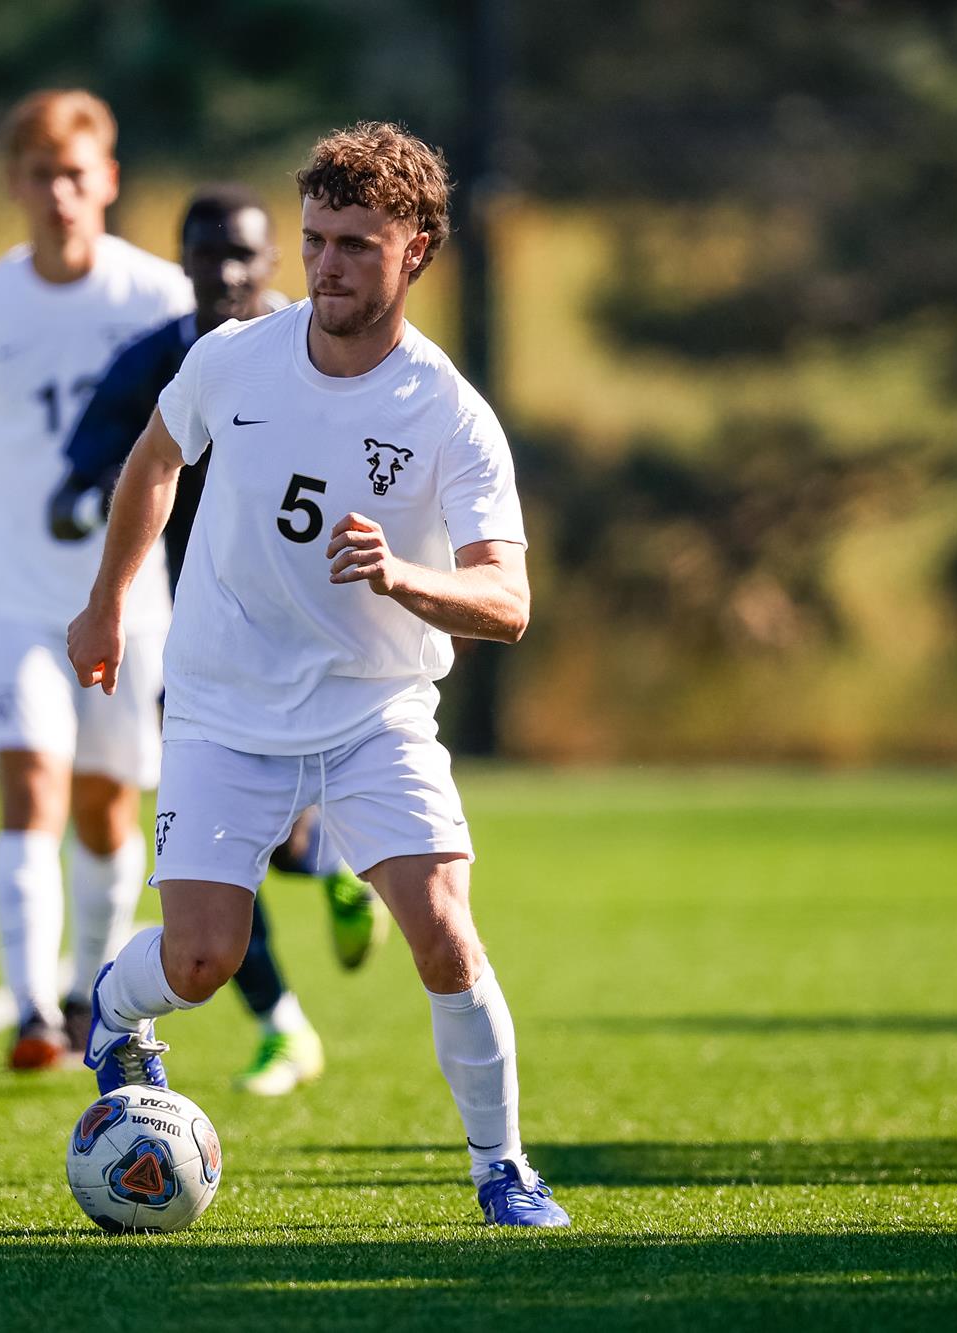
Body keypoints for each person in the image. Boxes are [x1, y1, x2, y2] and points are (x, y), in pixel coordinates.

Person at [65, 122, 570, 1226]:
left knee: (441, 930)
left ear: (415, 251)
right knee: (201, 962)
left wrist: (403, 577)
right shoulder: (233, 357)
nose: (326, 265)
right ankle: (111, 1008)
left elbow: (508, 603)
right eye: (315, 239)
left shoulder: (449, 417)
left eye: (354, 244)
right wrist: (108, 599)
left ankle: (502, 1167)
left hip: (373, 709)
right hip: (222, 703)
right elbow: (155, 457)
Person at [48, 185, 385, 1097]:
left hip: (326, 644)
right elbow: (91, 464)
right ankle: (282, 1022)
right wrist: (82, 501)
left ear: (274, 263)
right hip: (206, 650)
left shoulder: (323, 357)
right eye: (207, 257)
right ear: (183, 261)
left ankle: (335, 860)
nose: (225, 274)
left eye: (244, 256)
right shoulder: (167, 361)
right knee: (215, 847)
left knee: (274, 844)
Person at [0, 89, 190, 1071]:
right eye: (39, 176)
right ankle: (28, 1011)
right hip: (16, 598)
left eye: (75, 175)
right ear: (13, 184)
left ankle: (86, 994)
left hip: (129, 600)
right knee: (29, 788)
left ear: (106, 181)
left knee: (108, 806)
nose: (59, 193)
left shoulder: (159, 300)